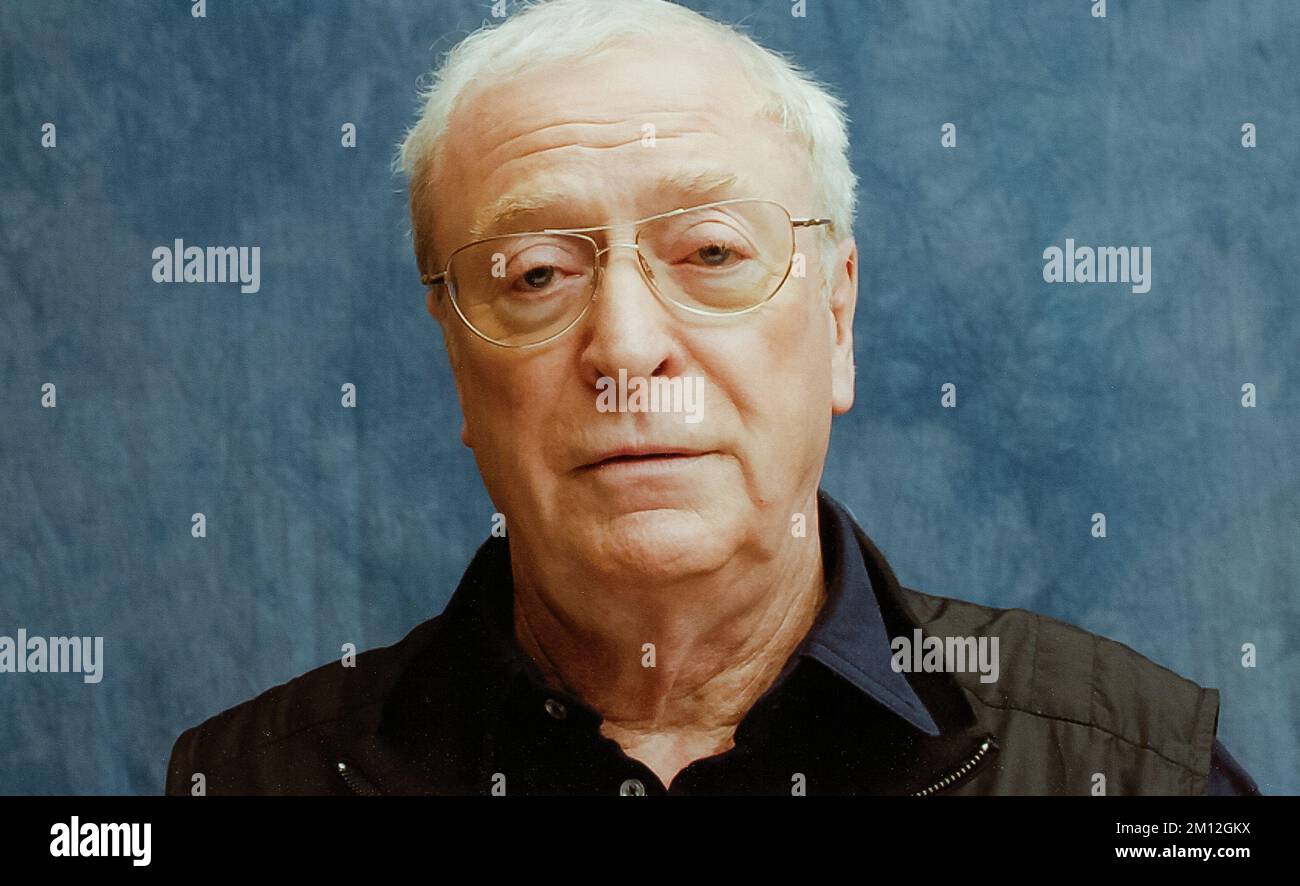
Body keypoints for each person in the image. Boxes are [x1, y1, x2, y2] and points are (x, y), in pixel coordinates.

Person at [166, 0, 1259, 796]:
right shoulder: (255, 779)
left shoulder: (1133, 770)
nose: (628, 348)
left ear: (835, 321)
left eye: (711, 251)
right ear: (458, 359)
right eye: (537, 274)